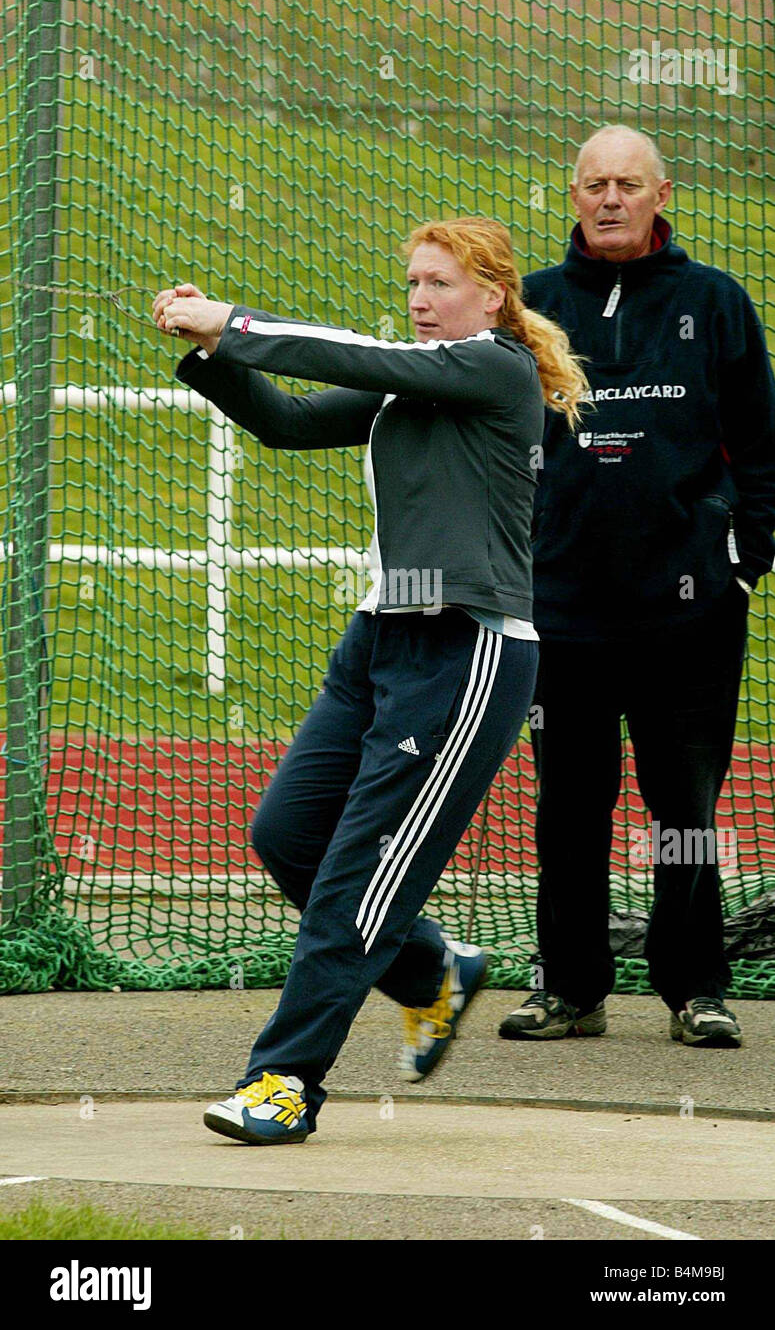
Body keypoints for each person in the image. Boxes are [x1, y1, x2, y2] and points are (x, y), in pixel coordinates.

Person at [153, 216, 586, 1143]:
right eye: (414, 285)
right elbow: (287, 421)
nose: (421, 300)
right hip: (378, 640)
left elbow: (352, 356)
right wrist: (212, 352)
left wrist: (232, 321)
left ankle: (281, 1086)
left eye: (440, 284)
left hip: (465, 651)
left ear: (493, 298)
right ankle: (431, 972)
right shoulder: (412, 382)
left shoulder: (497, 370)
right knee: (288, 835)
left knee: (355, 880)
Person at [498, 125, 775, 1049]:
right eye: (592, 185)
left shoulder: (715, 302)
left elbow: (761, 441)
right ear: (570, 196)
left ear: (663, 194)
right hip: (561, 609)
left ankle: (694, 985)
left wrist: (745, 551)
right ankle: (569, 988)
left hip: (687, 611)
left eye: (626, 184)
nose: (608, 199)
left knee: (683, 811)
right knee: (568, 805)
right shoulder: (529, 307)